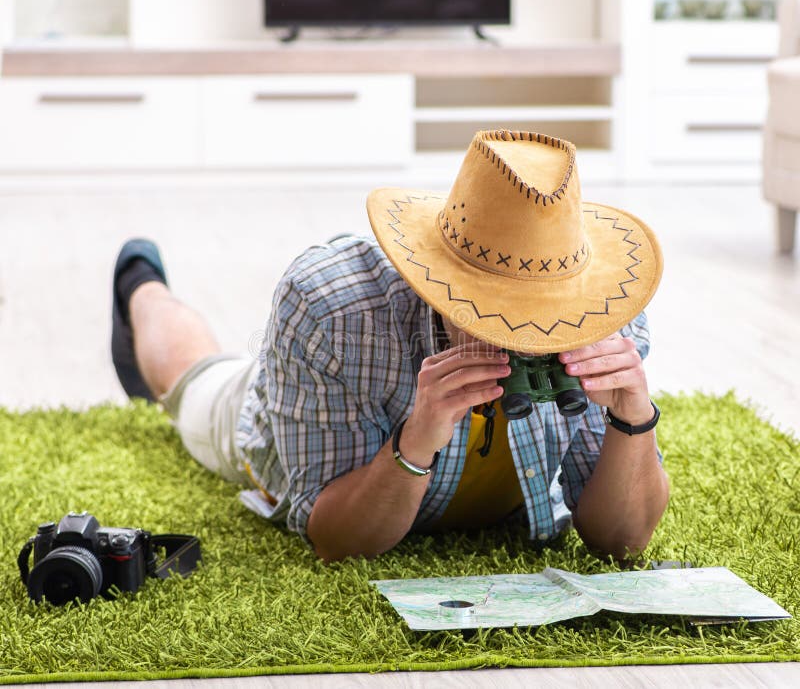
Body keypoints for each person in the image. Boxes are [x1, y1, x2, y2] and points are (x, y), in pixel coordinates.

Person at [111, 130, 669, 563]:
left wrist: (633, 417)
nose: (526, 339)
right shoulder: (333, 308)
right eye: (499, 310)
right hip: (292, 429)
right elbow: (336, 541)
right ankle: (141, 286)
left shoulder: (604, 315)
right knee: (195, 380)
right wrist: (418, 436)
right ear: (442, 284)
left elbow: (621, 542)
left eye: (546, 314)